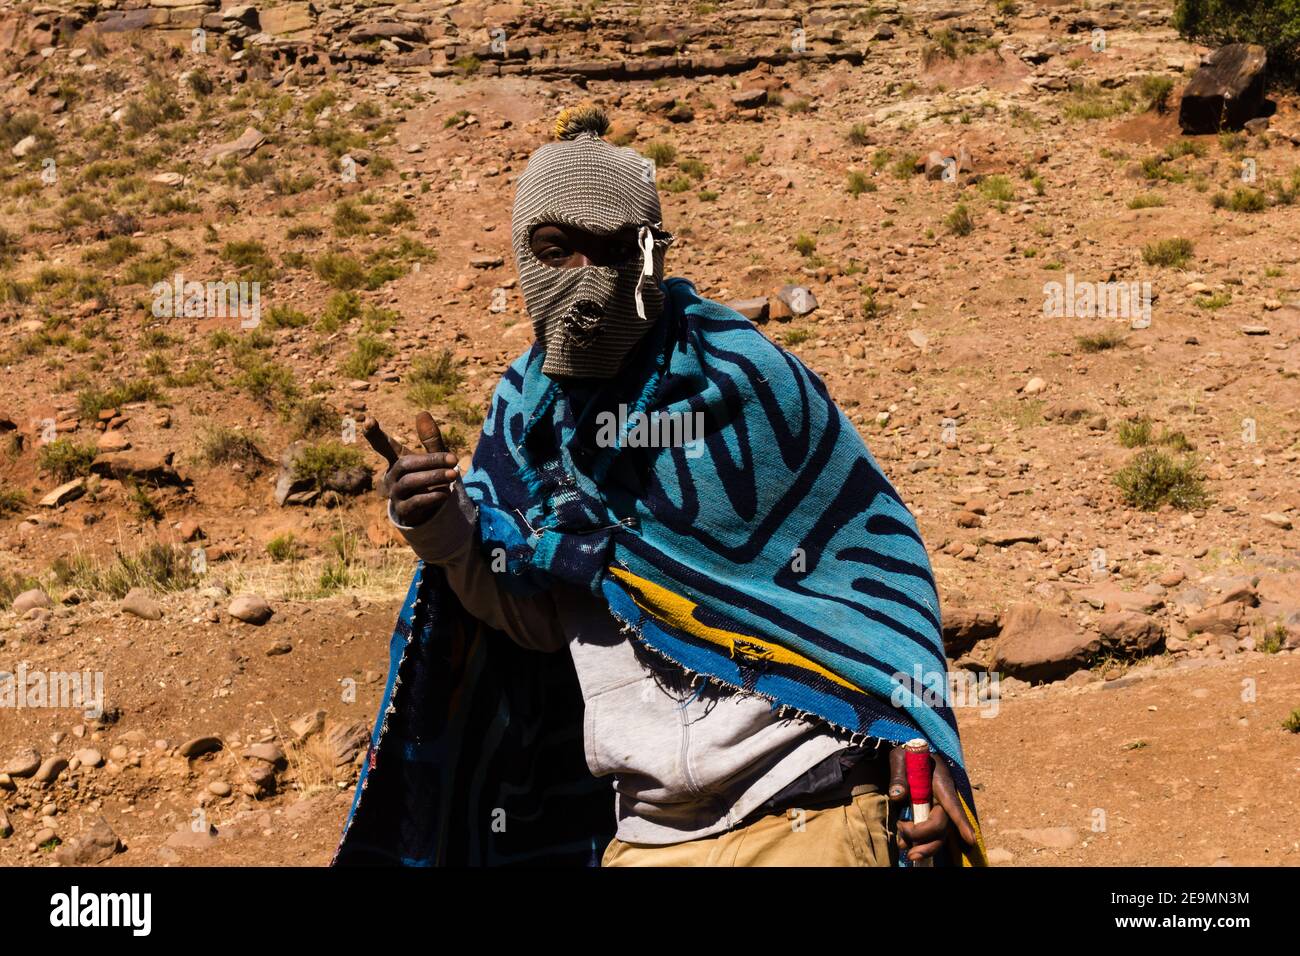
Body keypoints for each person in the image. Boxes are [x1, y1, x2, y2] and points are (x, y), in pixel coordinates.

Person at [332, 105, 985, 868]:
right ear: (520, 255)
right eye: (554, 250)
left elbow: (869, 572)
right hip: (649, 835)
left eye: (610, 253)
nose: (582, 282)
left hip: (810, 806)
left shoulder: (747, 381)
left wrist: (917, 729)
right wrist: (443, 527)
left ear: (651, 258)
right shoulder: (525, 421)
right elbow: (544, 624)